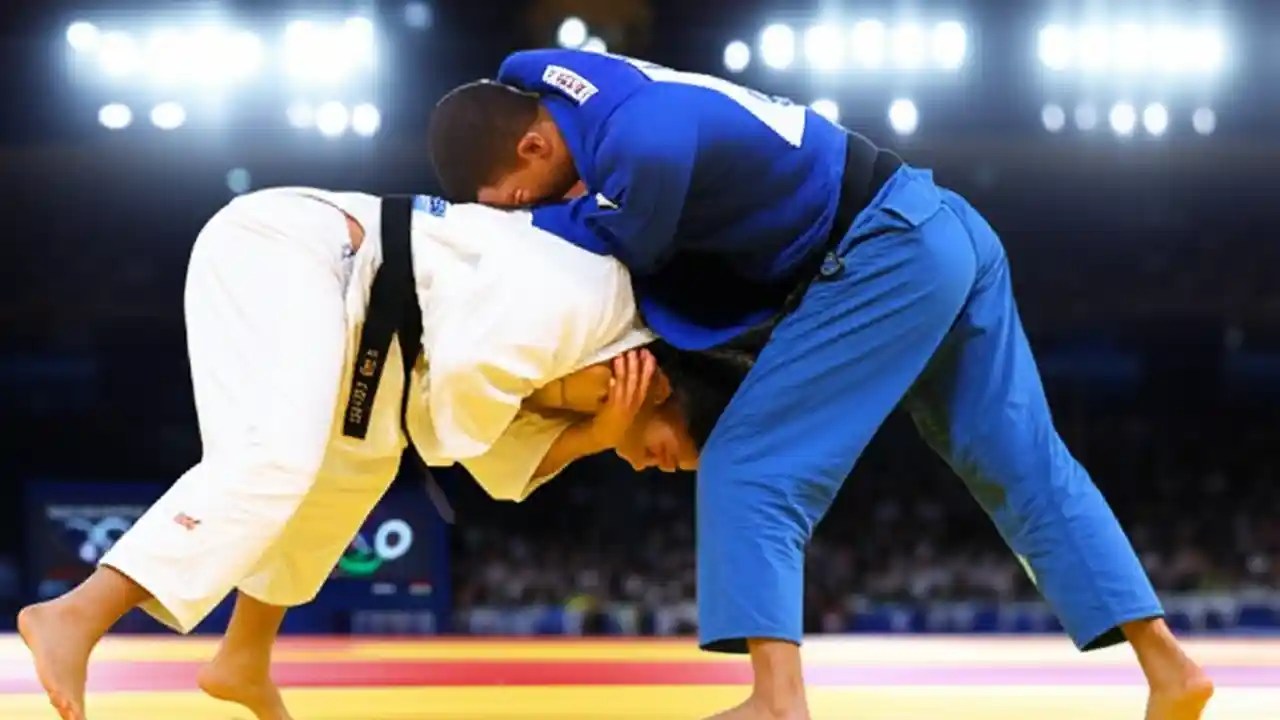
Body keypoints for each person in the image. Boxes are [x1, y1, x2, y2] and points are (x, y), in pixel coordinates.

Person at [427, 50, 1213, 720]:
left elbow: (621, 242)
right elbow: (524, 86)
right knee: (1017, 461)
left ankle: (776, 698)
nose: (538, 210)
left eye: (526, 197)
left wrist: (509, 228)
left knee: (749, 462)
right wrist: (518, 209)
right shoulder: (552, 85)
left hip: (884, 248)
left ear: (535, 144)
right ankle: (1168, 665)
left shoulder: (644, 141)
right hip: (939, 223)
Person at [16, 187, 663, 720]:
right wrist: (589, 428)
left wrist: (598, 435)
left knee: (353, 470)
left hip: (376, 345)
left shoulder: (602, 388)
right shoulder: (591, 305)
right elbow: (464, 420)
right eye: (669, 455)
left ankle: (243, 659)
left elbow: (498, 470)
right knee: (275, 455)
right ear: (664, 390)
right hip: (302, 252)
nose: (650, 466)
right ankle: (78, 613)